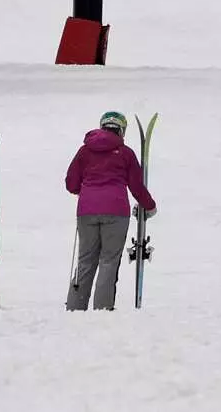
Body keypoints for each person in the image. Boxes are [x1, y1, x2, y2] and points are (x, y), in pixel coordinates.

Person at [65, 111, 157, 311]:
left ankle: (74, 308)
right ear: (121, 130)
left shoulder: (84, 151)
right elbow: (136, 186)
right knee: (108, 260)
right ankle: (103, 310)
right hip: (116, 212)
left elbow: (71, 184)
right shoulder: (125, 153)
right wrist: (150, 206)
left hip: (86, 211)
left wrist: (89, 191)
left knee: (86, 260)